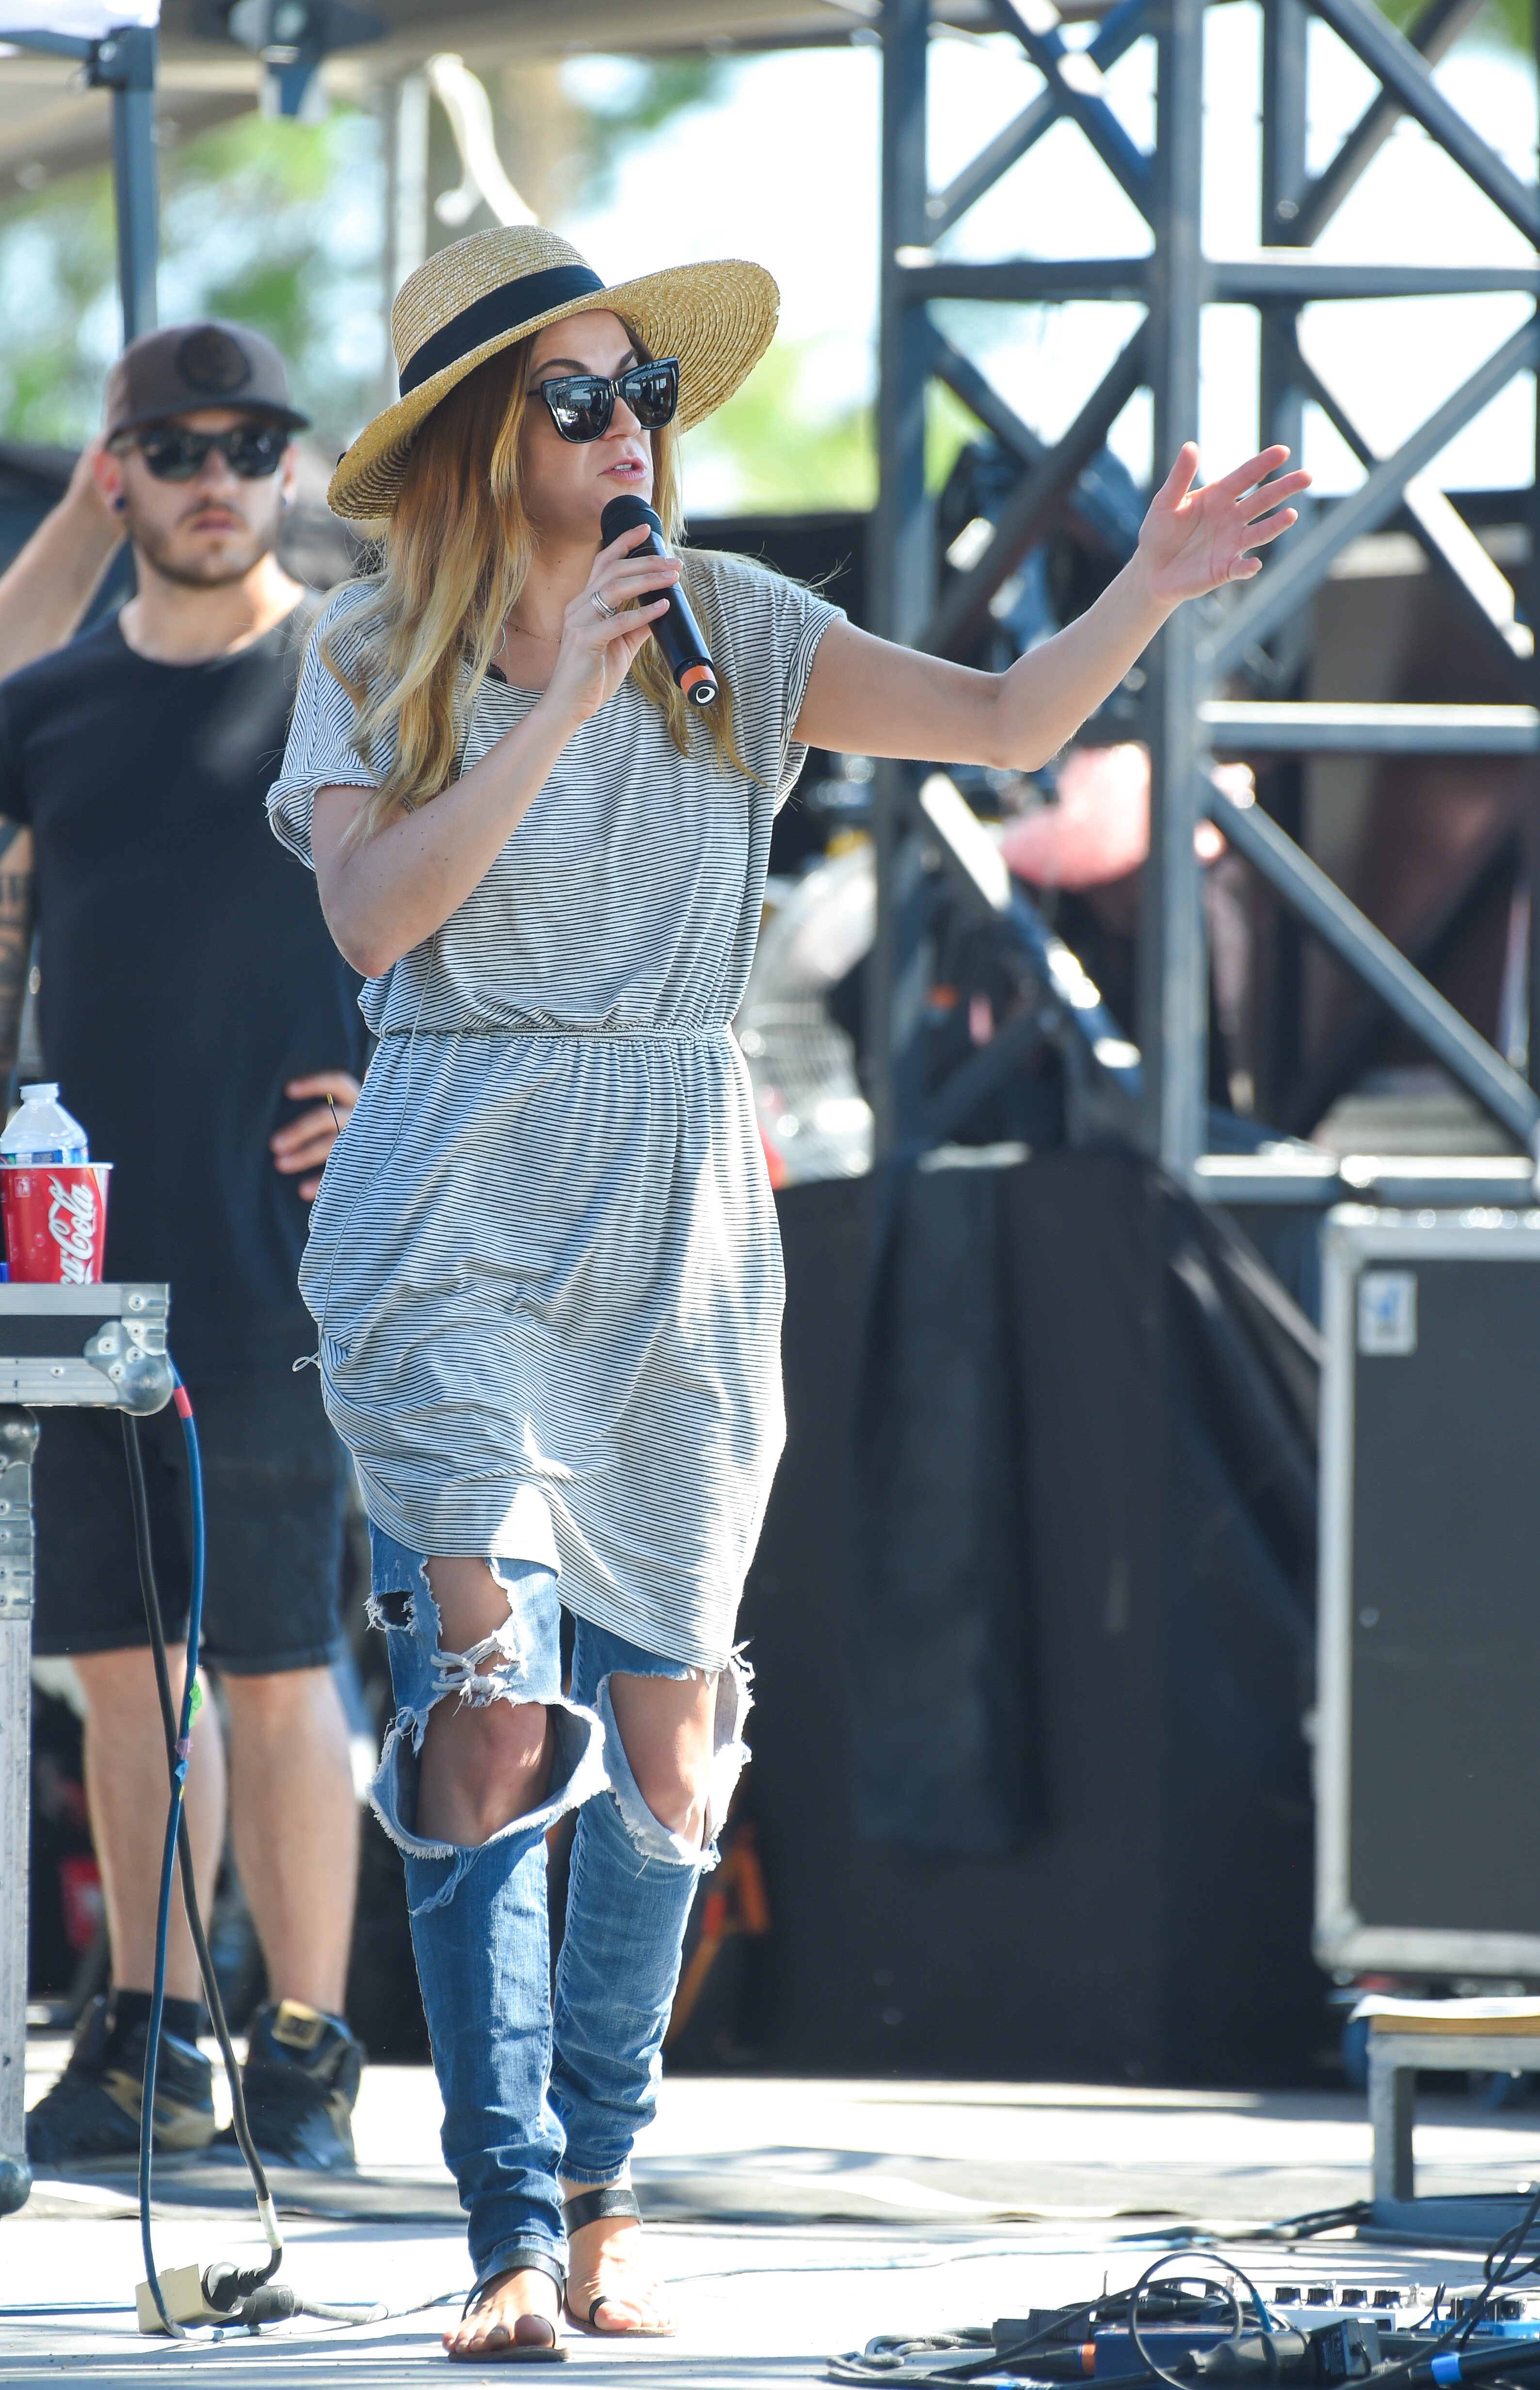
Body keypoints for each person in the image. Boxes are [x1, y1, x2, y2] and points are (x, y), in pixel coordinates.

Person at [268, 223, 1309, 2357]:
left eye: (638, 388)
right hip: (453, 1185)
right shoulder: (370, 647)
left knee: (666, 1742)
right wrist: (558, 694)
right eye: (576, 397)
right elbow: (377, 922)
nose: (625, 425)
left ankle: (606, 2180)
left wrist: (1153, 583)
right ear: (485, 434)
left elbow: (1009, 714)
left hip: (673, 1205)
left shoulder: (731, 622)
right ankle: (497, 2230)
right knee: (489, 1716)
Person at [10, 320, 371, 2172]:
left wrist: (389, 1092)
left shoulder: (349, 674)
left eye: (250, 442)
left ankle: (304, 2050)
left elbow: (467, 896)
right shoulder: (52, 704)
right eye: (176, 447)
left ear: (290, 467)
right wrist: (67, 535)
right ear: (121, 473)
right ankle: (151, 2033)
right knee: (116, 1660)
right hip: (78, 1251)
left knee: (274, 1654)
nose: (217, 474)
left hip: (279, 1244)